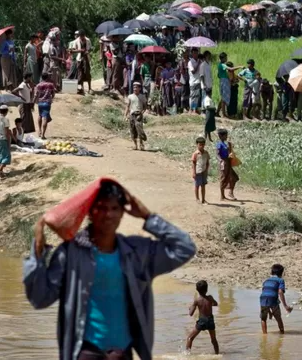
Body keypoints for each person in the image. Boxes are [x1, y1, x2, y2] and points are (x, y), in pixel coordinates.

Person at [24, 179, 196, 360]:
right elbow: (39, 299)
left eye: (114, 208)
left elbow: (185, 248)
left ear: (123, 212)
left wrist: (148, 217)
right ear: (90, 212)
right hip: (85, 353)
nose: (108, 215)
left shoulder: (137, 253)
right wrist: (37, 255)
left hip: (122, 354)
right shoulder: (70, 254)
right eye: (102, 208)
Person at [185, 280, 219, 355]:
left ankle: (187, 356)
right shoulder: (210, 298)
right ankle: (217, 354)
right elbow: (216, 304)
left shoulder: (197, 300)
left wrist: (190, 308)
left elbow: (191, 314)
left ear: (197, 290)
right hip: (210, 320)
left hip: (202, 321)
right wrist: (210, 304)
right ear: (207, 289)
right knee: (213, 340)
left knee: (190, 338)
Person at [260, 264, 293, 334]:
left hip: (263, 299)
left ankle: (264, 335)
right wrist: (285, 306)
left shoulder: (266, 281)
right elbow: (280, 292)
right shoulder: (280, 280)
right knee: (278, 318)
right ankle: (282, 333)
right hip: (273, 299)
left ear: (271, 272)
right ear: (281, 273)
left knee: (263, 319)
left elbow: (265, 294)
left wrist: (269, 311)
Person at [216, 129, 238, 201]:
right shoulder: (219, 144)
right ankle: (222, 196)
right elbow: (217, 154)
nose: (227, 137)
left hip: (227, 161)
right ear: (221, 136)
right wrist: (221, 161)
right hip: (224, 163)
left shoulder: (225, 144)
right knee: (223, 178)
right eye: (225, 135)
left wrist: (230, 147)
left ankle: (230, 193)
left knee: (234, 177)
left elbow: (229, 153)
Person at [124, 82, 147, 151]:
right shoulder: (130, 96)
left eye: (136, 87)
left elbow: (145, 107)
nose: (135, 89)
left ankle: (141, 144)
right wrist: (125, 115)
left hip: (139, 114)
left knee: (139, 130)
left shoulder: (142, 97)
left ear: (139, 88)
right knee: (132, 130)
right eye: (134, 87)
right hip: (132, 114)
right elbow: (127, 106)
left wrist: (141, 114)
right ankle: (135, 145)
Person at [32, 72, 56, 139]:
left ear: (41, 77)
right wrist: (51, 99)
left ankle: (39, 130)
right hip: (47, 103)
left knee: (40, 115)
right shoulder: (51, 85)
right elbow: (53, 94)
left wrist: (32, 104)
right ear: (47, 77)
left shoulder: (38, 85)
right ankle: (43, 135)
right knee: (45, 117)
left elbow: (35, 95)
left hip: (40, 103)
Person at [192, 137, 210, 205]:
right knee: (197, 185)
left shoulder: (206, 153)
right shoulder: (196, 153)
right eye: (200, 144)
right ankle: (197, 199)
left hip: (204, 171)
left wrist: (207, 170)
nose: (201, 146)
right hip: (198, 171)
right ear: (197, 144)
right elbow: (193, 163)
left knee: (203, 185)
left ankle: (203, 199)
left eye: (203, 144)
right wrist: (194, 172)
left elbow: (207, 162)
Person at [0, 105, 10, 176]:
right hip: (3, 139)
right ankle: (0, 170)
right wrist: (8, 141)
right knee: (6, 156)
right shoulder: (5, 120)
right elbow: (7, 132)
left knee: (1, 155)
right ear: (6, 111)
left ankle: (1, 172)